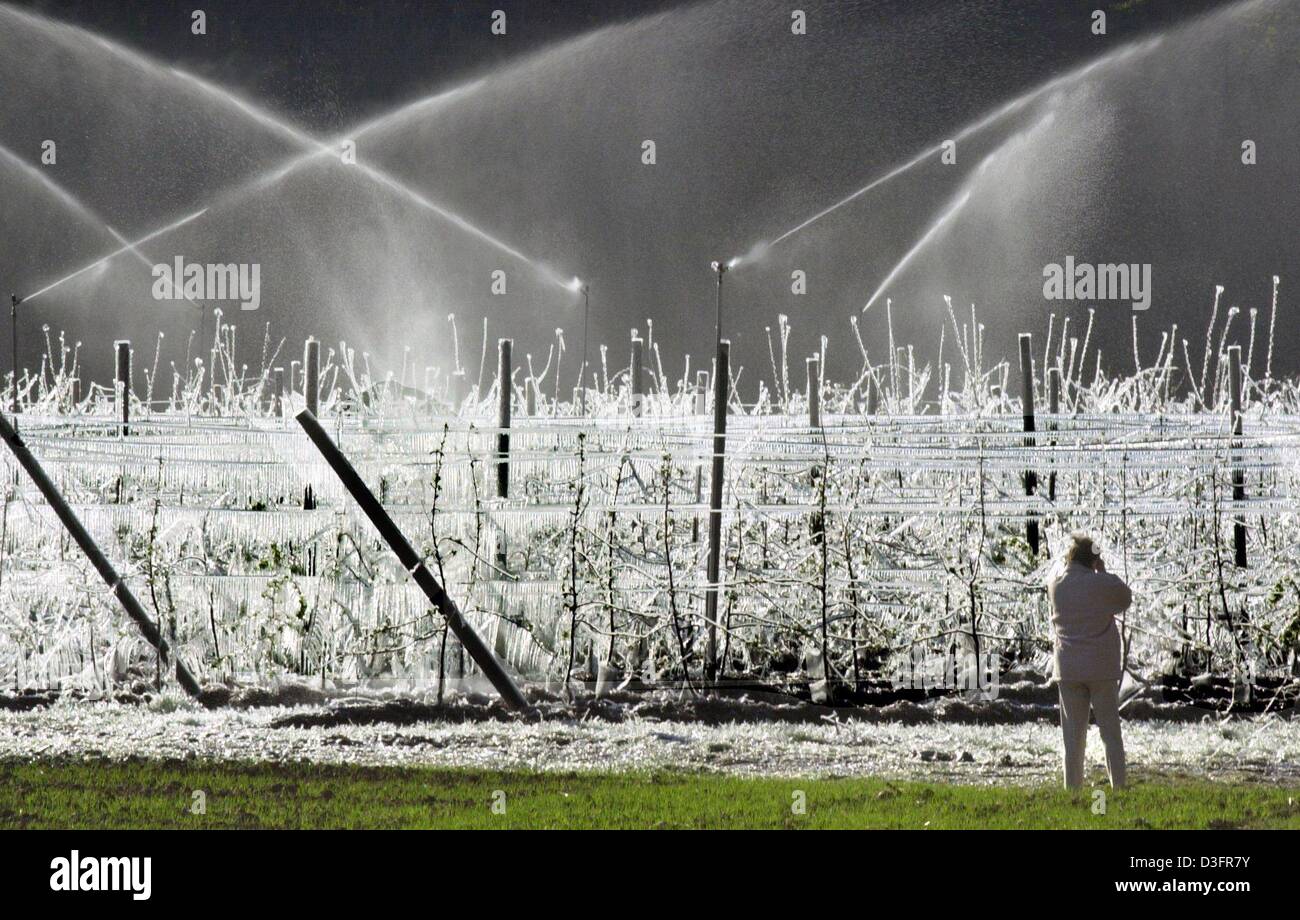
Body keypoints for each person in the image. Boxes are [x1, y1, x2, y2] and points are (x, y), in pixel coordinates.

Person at [1047, 532, 1132, 790]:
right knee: (1110, 734)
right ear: (1093, 561)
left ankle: (1072, 790)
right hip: (1101, 668)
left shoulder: (1056, 585)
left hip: (1069, 668)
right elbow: (1124, 597)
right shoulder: (1099, 585)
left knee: (1073, 739)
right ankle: (1118, 787)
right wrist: (1103, 572)